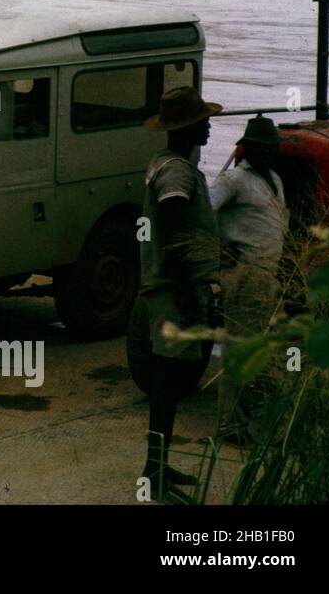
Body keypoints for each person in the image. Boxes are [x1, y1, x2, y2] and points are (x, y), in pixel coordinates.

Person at [137, 86, 224, 502]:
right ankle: (154, 475)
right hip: (175, 290)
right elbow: (174, 234)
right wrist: (190, 292)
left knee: (165, 385)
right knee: (169, 384)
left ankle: (156, 466)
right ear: (189, 127)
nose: (209, 125)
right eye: (203, 120)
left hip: (171, 287)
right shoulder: (176, 173)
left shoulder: (164, 163)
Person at [209, 115, 288, 441]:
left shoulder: (274, 179)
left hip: (269, 274)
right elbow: (204, 211)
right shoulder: (233, 180)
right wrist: (220, 249)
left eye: (272, 148)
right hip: (246, 275)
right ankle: (230, 426)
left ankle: (249, 419)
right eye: (261, 148)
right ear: (248, 148)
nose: (267, 153)